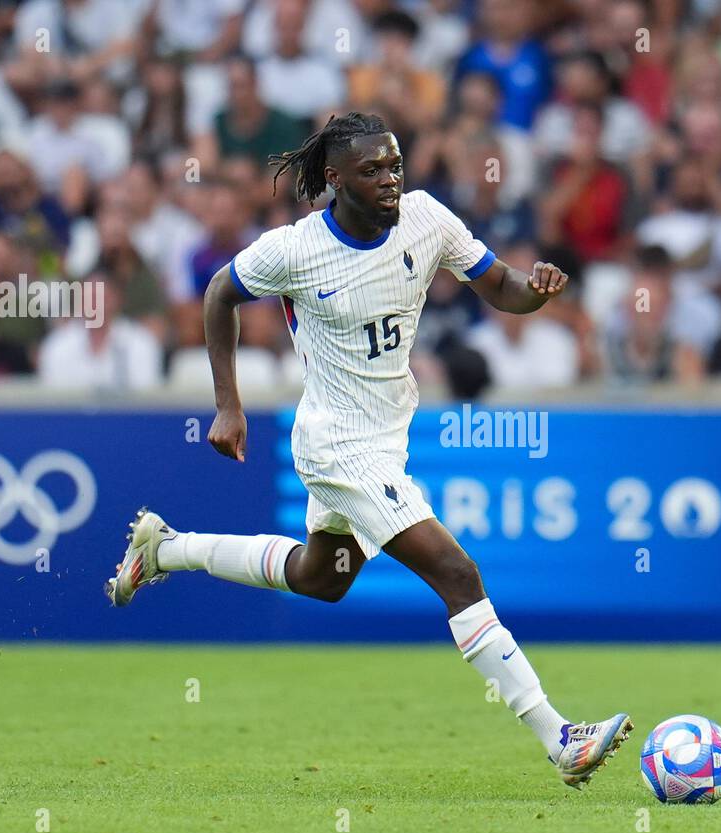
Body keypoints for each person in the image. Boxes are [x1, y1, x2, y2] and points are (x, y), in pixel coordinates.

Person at [104, 113, 632, 789]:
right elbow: (219, 294)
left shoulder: (426, 218)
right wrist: (228, 404)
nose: (389, 181)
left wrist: (538, 291)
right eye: (371, 171)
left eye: (394, 166)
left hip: (387, 436)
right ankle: (559, 737)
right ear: (335, 179)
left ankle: (166, 549)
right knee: (457, 573)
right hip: (336, 445)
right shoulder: (294, 250)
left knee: (322, 579)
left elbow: (499, 285)